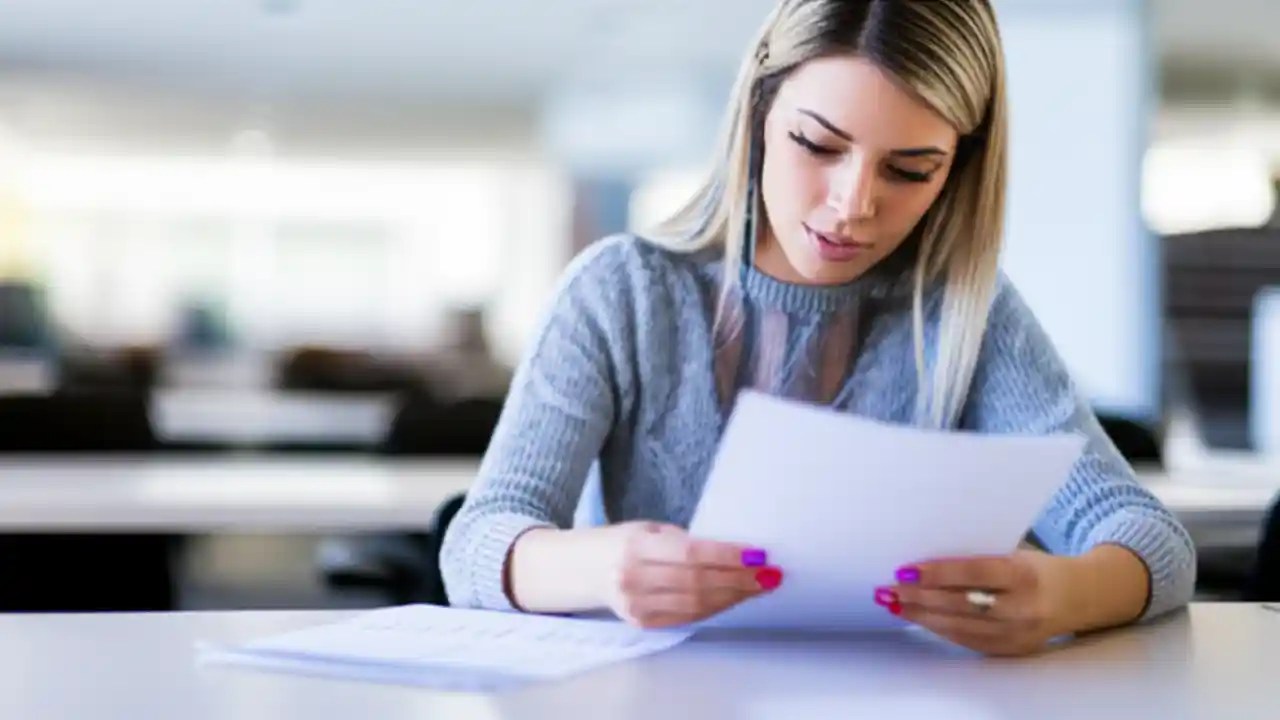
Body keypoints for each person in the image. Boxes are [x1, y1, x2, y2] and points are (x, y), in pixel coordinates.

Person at [440, 0, 1197, 657]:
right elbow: (476, 545)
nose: (852, 205)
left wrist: (1064, 593)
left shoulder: (967, 312)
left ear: (957, 170)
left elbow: (1148, 538)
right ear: (761, 112)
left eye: (910, 170)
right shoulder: (620, 292)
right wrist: (602, 567)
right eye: (818, 144)